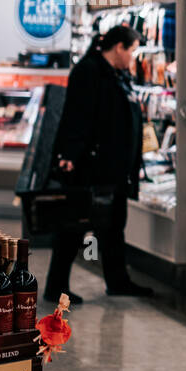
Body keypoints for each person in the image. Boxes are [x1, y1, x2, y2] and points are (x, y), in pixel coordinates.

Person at [46, 25, 152, 303]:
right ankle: (56, 286)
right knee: (74, 226)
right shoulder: (89, 71)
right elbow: (76, 116)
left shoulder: (115, 74)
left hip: (112, 167)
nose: (132, 57)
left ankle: (118, 281)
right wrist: (69, 156)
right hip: (90, 166)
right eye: (131, 50)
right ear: (119, 47)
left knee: (114, 225)